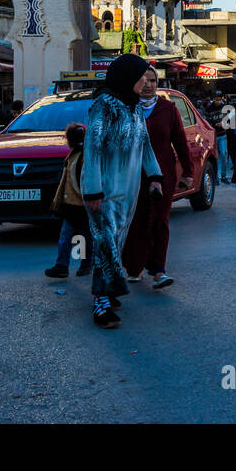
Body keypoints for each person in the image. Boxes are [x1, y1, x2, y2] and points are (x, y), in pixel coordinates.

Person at [81, 54, 167, 329]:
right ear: (128, 77)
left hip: (127, 191)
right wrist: (93, 191)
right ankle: (100, 303)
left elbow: (145, 145)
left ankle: (109, 291)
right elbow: (92, 148)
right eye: (141, 77)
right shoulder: (103, 106)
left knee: (115, 242)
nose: (145, 82)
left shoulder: (134, 108)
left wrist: (155, 176)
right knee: (105, 244)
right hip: (104, 190)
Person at [123, 67, 193, 289]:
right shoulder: (126, 108)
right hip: (133, 176)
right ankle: (134, 267)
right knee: (136, 221)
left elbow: (180, 141)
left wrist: (188, 173)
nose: (148, 85)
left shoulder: (168, 109)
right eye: (144, 81)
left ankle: (159, 270)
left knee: (160, 221)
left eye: (153, 80)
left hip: (163, 176)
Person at [46, 123, 92, 279]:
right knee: (71, 236)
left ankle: (83, 265)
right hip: (72, 205)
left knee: (78, 237)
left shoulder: (81, 157)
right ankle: (63, 266)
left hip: (79, 206)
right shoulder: (74, 156)